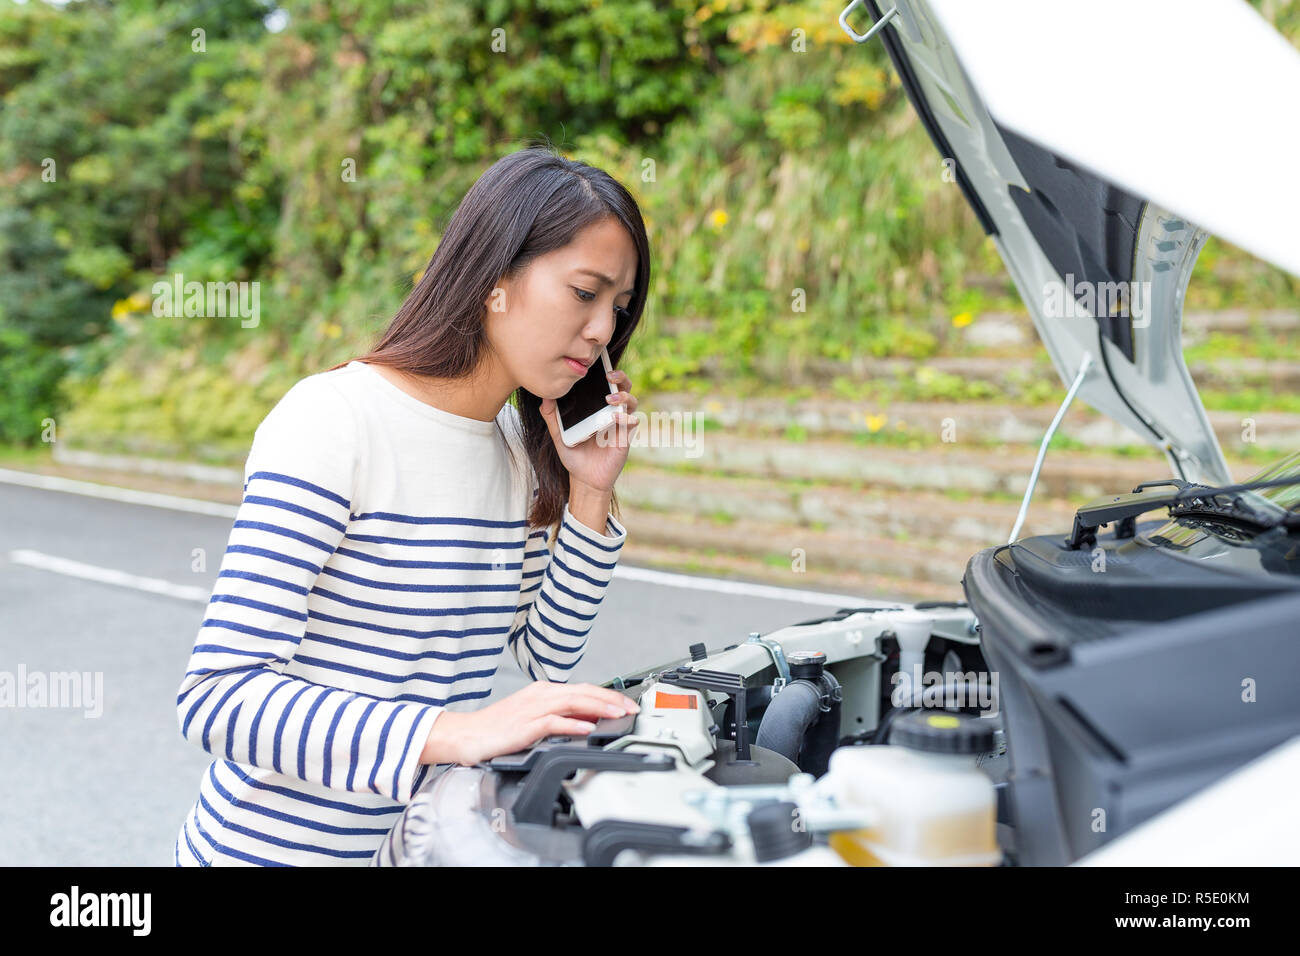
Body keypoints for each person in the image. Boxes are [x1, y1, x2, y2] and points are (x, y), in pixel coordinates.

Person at [173, 146, 648, 865]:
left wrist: (589, 489)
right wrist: (454, 732)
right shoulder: (335, 419)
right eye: (585, 293)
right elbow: (219, 698)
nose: (604, 332)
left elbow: (547, 656)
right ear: (495, 278)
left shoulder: (517, 447)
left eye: (618, 308)